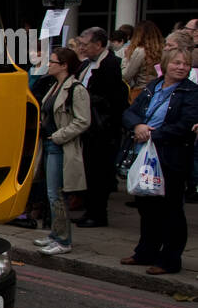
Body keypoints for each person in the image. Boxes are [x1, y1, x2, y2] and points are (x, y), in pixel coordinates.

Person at [119, 48, 198, 273]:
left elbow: (185, 126)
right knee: (147, 207)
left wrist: (152, 133)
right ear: (165, 65)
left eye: (186, 64)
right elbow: (130, 112)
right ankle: (145, 252)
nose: (182, 67)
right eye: (177, 63)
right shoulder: (153, 87)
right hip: (144, 155)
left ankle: (170, 260)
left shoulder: (191, 92)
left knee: (171, 210)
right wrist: (137, 126)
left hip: (170, 158)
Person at [33, 47, 91, 256]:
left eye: (53, 62)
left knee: (57, 193)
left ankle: (63, 240)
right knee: (51, 193)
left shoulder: (76, 89)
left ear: (64, 65)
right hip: (49, 145)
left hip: (62, 147)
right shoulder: (55, 86)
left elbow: (83, 121)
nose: (49, 65)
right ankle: (55, 235)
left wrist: (59, 136)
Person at [74, 26, 127, 228]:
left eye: (85, 45)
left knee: (99, 172)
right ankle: (89, 210)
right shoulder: (86, 64)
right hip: (87, 126)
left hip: (102, 129)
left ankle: (97, 213)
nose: (82, 48)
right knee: (88, 170)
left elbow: (113, 99)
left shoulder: (111, 65)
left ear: (98, 44)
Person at [121, 20, 165, 99]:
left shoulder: (140, 51)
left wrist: (126, 59)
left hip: (141, 92)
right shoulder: (163, 51)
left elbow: (126, 76)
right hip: (159, 90)